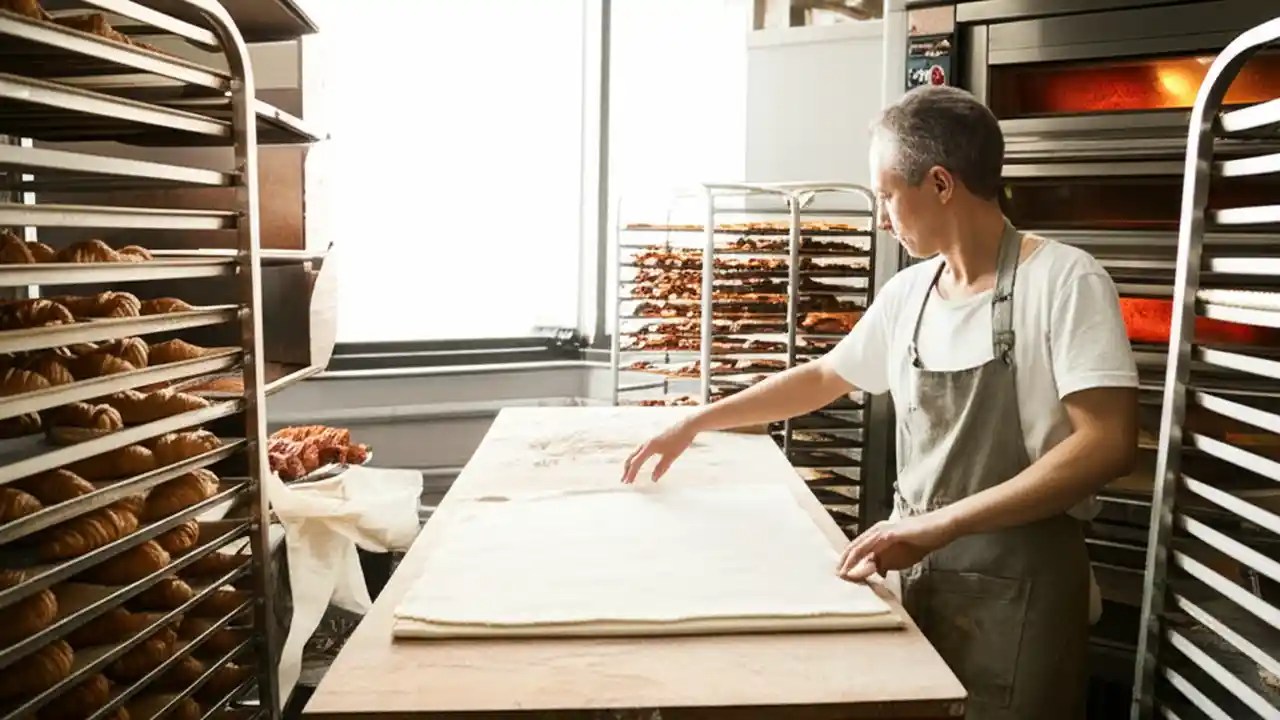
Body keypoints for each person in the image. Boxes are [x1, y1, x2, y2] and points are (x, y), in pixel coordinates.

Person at [620, 85, 1138, 720]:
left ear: (941, 184)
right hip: (920, 577)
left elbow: (1107, 444)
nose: (884, 218)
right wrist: (697, 420)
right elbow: (821, 377)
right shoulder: (910, 293)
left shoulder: (1063, 280)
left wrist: (938, 525)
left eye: (888, 195)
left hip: (1025, 587)